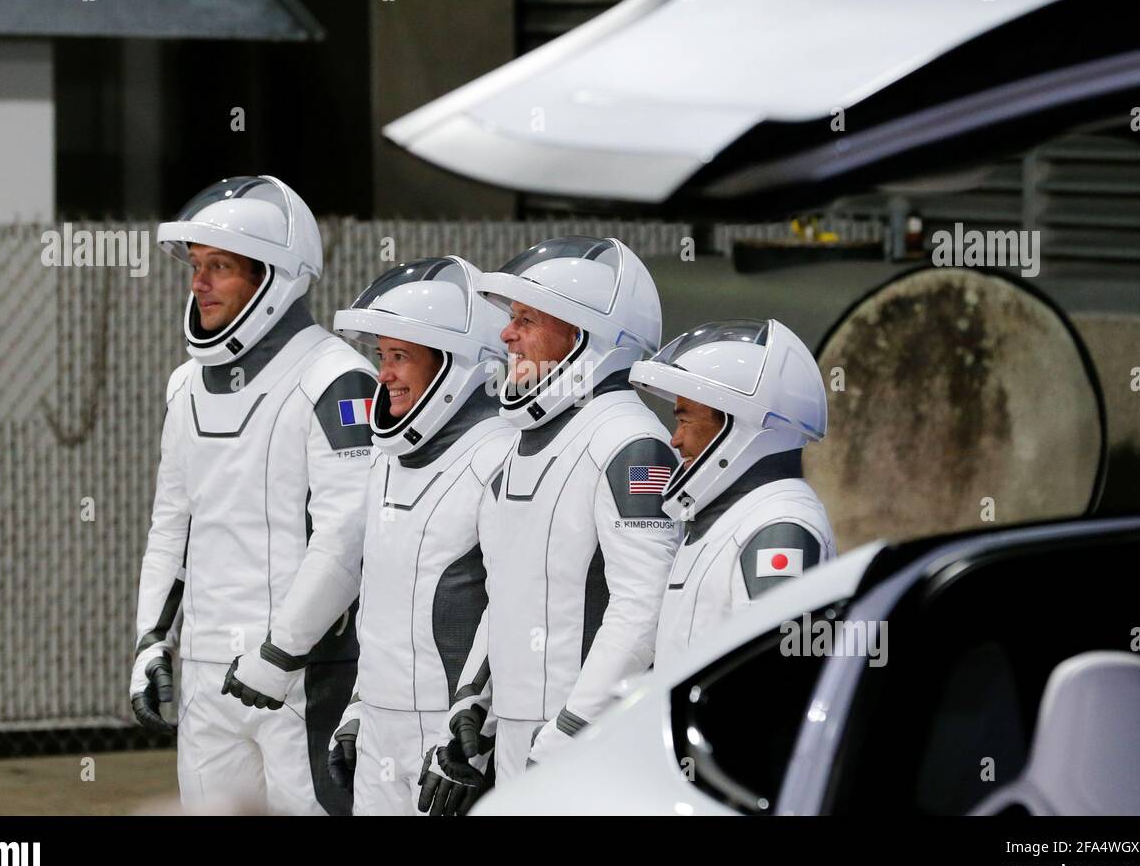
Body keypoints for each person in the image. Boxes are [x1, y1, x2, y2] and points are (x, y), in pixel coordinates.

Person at [129, 175, 375, 815]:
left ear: (273, 277)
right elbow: (171, 525)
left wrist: (280, 654)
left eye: (220, 267)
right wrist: (152, 640)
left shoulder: (336, 377)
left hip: (304, 678)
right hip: (209, 680)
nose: (198, 283)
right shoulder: (185, 386)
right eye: (196, 266)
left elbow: (348, 536)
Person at [418, 236, 681, 812]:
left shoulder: (631, 444)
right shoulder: (524, 443)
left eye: (526, 320)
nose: (506, 335)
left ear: (585, 338)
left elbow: (643, 608)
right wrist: (471, 700)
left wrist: (571, 729)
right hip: (519, 741)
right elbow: (505, 593)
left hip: (586, 748)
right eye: (511, 320)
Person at [322, 257, 513, 816]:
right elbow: (379, 600)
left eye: (401, 357)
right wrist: (360, 707)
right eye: (382, 356)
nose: (383, 373)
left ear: (456, 366)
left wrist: (475, 735)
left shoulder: (498, 455)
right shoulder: (384, 462)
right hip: (381, 729)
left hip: (452, 736)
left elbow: (509, 607)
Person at [629, 319, 836, 672]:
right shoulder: (738, 520)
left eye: (685, 421)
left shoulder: (779, 527)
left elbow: (774, 679)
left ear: (738, 426)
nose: (675, 440)